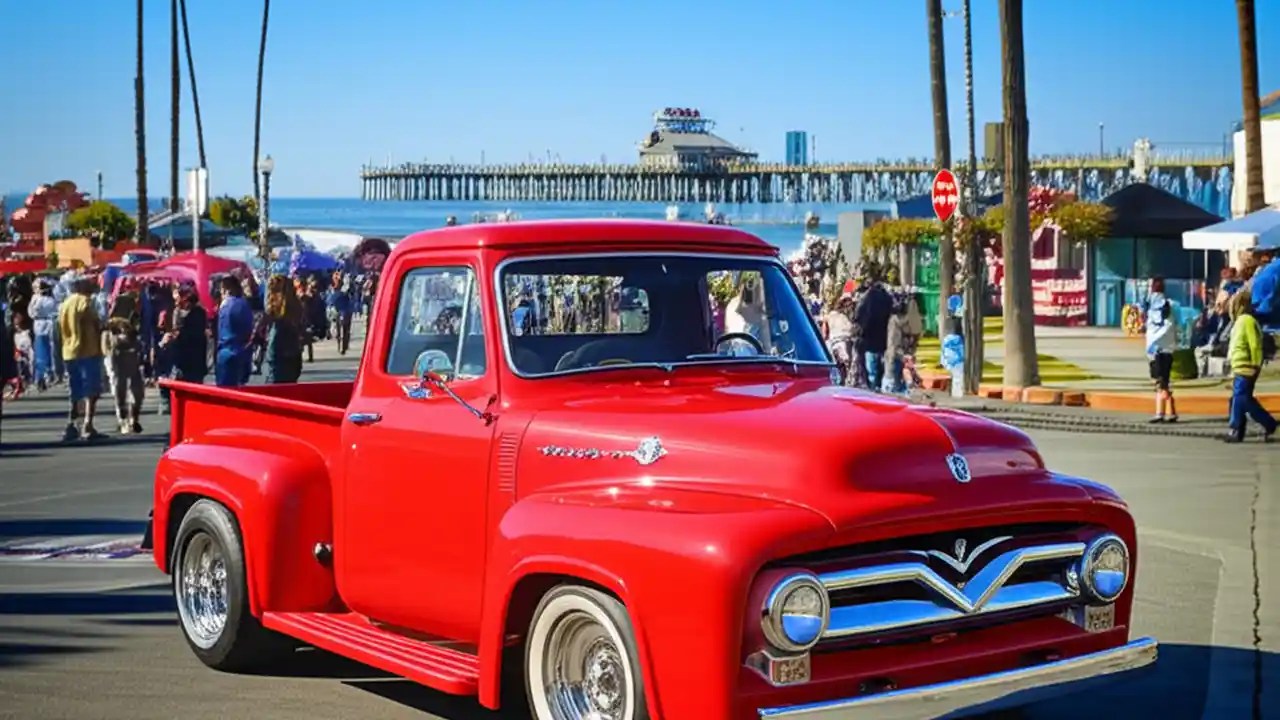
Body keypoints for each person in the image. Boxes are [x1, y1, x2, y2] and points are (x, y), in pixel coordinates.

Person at [1224, 288, 1277, 443]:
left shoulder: (1246, 320)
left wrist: (1255, 363)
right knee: (1240, 398)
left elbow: (1254, 344)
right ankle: (1238, 429)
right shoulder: (1241, 321)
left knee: (1241, 399)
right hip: (1240, 365)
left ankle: (1264, 424)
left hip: (1246, 365)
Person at [58, 277, 106, 441]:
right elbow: (96, 323)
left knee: (74, 389)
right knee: (91, 390)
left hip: (69, 351)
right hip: (88, 350)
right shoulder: (87, 302)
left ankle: (72, 424)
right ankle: (87, 424)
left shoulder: (64, 304)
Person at [159, 282, 209, 402]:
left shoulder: (189, 313)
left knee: (184, 388)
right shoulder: (200, 312)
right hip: (195, 359)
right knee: (194, 389)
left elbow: (182, 333)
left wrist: (171, 337)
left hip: (185, 358)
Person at [102, 306, 144, 434]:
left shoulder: (134, 334)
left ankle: (133, 419)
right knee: (119, 392)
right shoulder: (109, 334)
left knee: (137, 394)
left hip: (132, 365)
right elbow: (107, 350)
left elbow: (139, 347)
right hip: (117, 365)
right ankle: (123, 420)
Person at [1143, 277, 1179, 423]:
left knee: (1160, 382)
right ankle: (1171, 411)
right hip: (1167, 348)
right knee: (1164, 381)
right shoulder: (1170, 305)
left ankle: (1160, 412)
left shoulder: (1151, 306)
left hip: (1155, 349)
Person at [214, 275, 254, 387]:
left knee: (224, 391)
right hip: (243, 351)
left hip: (226, 351)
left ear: (226, 290)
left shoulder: (226, 305)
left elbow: (221, 330)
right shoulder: (244, 304)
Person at [264, 275, 305, 383]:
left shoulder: (278, 325)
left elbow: (273, 354)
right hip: (293, 361)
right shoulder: (296, 311)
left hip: (278, 366)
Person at [855, 277, 892, 391]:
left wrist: (861, 330)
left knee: (871, 367)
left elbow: (860, 316)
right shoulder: (887, 298)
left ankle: (872, 387)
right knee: (879, 365)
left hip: (869, 339)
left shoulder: (867, 299)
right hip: (883, 339)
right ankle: (877, 385)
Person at [27, 280, 58, 391]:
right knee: (47, 351)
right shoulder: (49, 300)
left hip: (42, 324)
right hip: (46, 324)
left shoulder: (37, 300)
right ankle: (46, 375)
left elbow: (31, 313)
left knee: (43, 352)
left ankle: (43, 375)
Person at [326, 277, 354, 355]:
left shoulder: (345, 292)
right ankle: (340, 345)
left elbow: (350, 298)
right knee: (338, 331)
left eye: (338, 283)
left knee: (346, 330)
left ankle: (344, 346)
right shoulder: (332, 292)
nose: (336, 284)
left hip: (346, 312)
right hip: (337, 312)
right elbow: (330, 302)